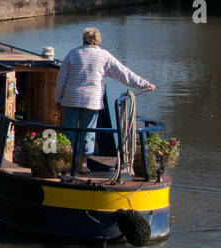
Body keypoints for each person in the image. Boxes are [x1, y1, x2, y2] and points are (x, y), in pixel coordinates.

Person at [55, 27, 153, 176]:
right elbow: (124, 73)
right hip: (91, 102)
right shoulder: (103, 56)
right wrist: (144, 84)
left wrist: (58, 99)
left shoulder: (72, 54)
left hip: (70, 99)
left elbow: (61, 80)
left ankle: (66, 164)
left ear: (83, 39)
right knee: (88, 133)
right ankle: (82, 164)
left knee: (69, 131)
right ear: (98, 40)